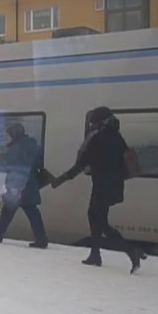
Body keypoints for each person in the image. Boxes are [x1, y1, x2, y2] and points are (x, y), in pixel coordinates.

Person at [52, 106, 146, 273]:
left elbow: (81, 163)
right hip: (115, 185)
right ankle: (95, 254)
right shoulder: (117, 136)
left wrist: (62, 178)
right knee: (97, 218)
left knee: (99, 221)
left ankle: (131, 250)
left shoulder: (96, 137)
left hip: (102, 185)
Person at [0, 122, 49, 248]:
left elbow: (14, 165)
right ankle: (41, 238)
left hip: (19, 183)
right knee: (31, 212)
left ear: (14, 135)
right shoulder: (30, 145)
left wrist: (15, 187)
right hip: (29, 183)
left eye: (9, 135)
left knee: (10, 209)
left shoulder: (17, 147)